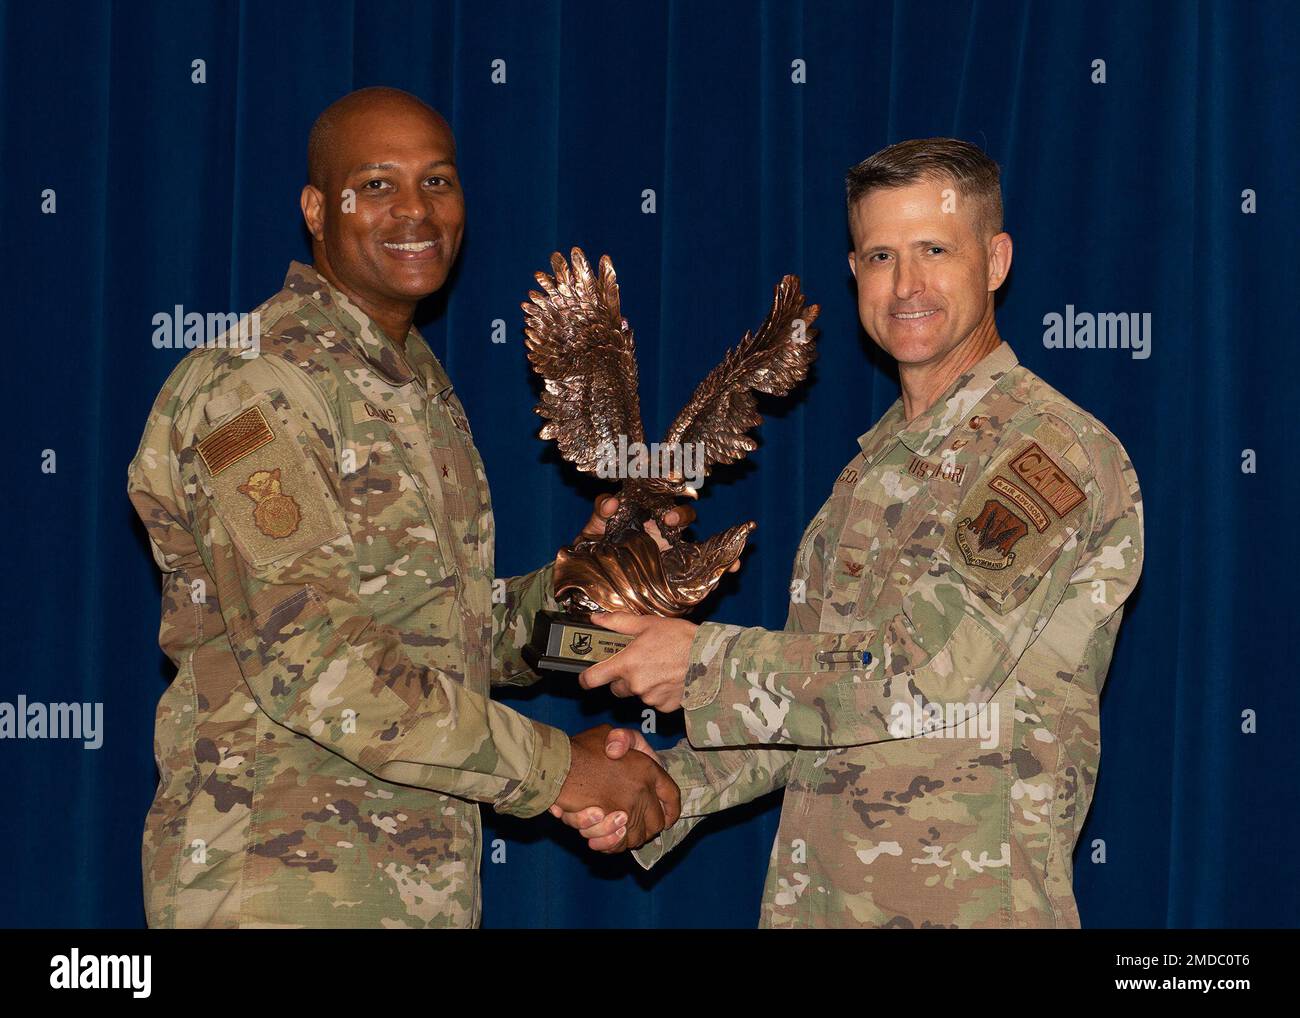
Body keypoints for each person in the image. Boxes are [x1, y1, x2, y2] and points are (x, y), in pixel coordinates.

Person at [555, 137, 1145, 928]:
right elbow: (821, 702)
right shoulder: (870, 475)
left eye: (934, 249)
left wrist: (699, 662)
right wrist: (665, 792)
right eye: (879, 256)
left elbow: (931, 670)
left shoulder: (1047, 454)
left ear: (996, 260)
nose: (907, 285)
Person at [127, 86, 679, 928]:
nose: (415, 211)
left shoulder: (412, 384)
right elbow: (316, 661)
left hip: (408, 883)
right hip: (279, 882)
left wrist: (583, 596)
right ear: (317, 209)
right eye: (377, 185)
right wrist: (558, 769)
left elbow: (443, 633)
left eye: (439, 182)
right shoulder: (250, 388)